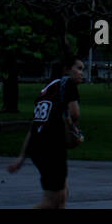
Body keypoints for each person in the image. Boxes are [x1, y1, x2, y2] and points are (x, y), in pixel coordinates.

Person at [7, 55, 84, 208]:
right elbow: (75, 113)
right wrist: (72, 129)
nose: (82, 73)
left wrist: (22, 157)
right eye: (79, 68)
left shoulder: (46, 91)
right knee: (52, 201)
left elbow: (34, 127)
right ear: (66, 70)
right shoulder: (67, 83)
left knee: (61, 196)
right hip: (51, 147)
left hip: (39, 146)